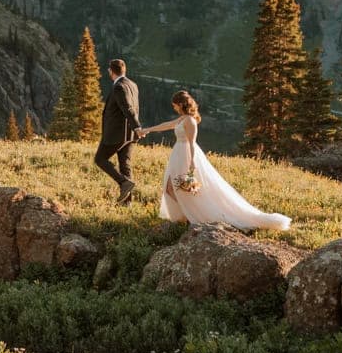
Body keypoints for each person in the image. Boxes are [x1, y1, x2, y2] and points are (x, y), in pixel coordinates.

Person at [139, 91, 291, 231]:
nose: (174, 107)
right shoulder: (182, 118)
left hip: (186, 154)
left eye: (175, 105)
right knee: (171, 187)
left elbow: (192, 143)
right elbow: (166, 125)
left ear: (180, 104)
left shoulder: (190, 121)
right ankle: (185, 216)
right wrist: (148, 129)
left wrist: (192, 162)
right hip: (177, 154)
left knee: (179, 187)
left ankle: (192, 216)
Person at [94, 58, 141, 204]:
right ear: (124, 70)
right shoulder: (133, 85)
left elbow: (128, 108)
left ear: (110, 71)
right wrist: (135, 129)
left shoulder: (119, 87)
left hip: (116, 133)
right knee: (125, 165)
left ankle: (123, 183)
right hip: (129, 135)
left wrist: (137, 126)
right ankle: (127, 202)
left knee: (100, 159)